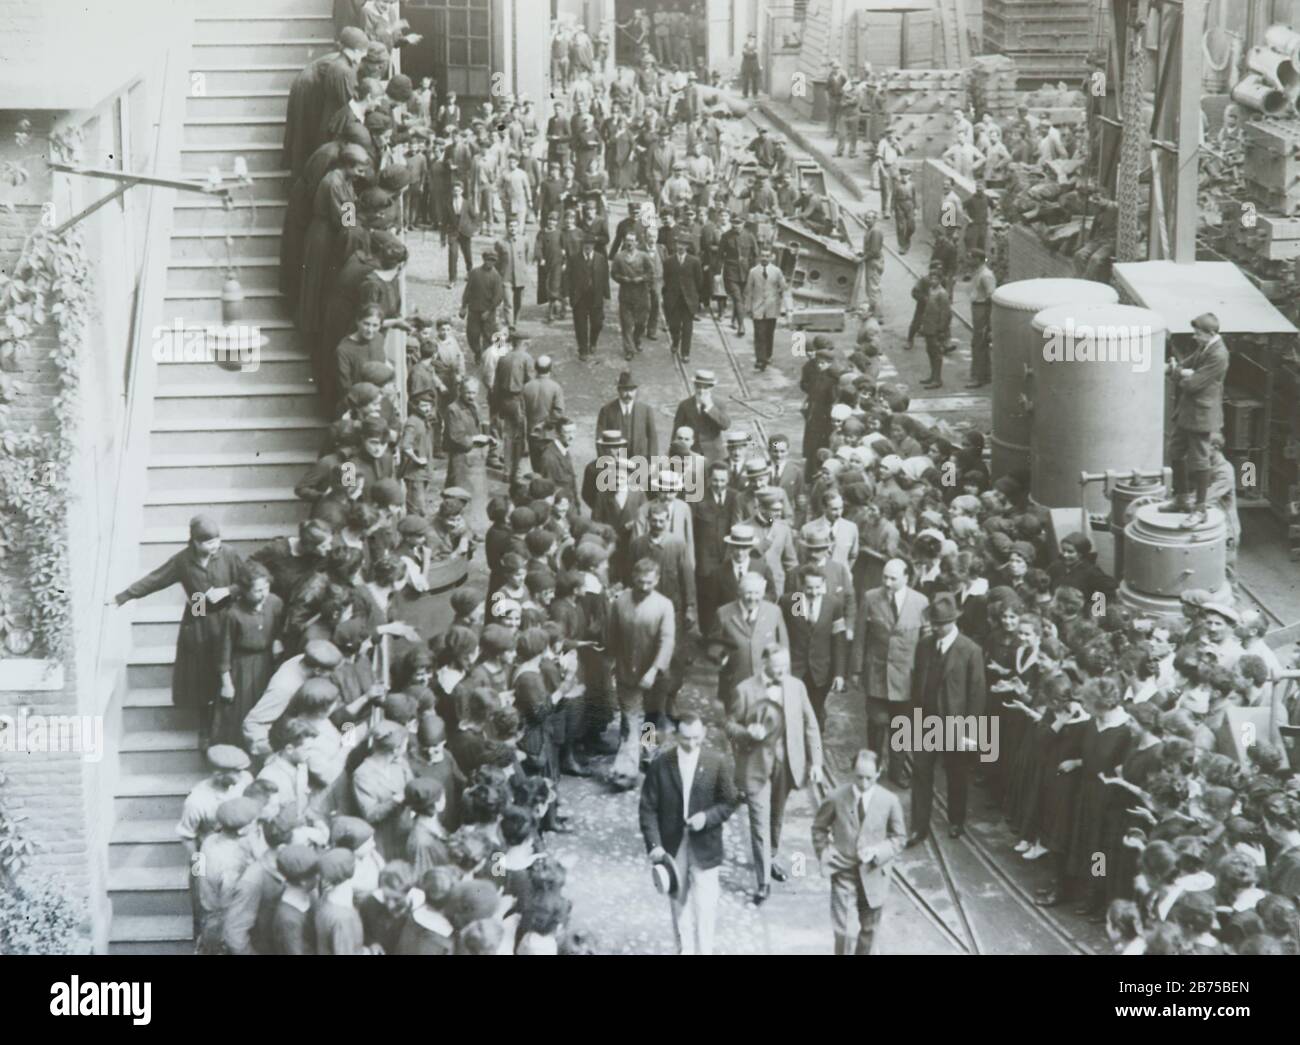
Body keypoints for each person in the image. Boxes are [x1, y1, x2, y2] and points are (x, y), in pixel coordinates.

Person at [114, 514, 245, 750]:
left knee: (226, 670)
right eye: (208, 543)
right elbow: (156, 579)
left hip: (225, 619)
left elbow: (246, 582)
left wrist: (227, 591)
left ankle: (226, 727)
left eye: (217, 541)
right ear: (194, 541)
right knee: (201, 675)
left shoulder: (230, 554)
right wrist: (123, 596)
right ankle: (205, 728)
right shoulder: (183, 561)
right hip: (198, 619)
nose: (214, 546)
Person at [726, 645, 824, 903]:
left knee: (776, 817)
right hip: (756, 766)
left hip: (788, 764)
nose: (783, 670)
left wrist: (816, 762)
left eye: (786, 665)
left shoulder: (796, 687)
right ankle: (763, 882)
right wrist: (748, 733)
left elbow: (811, 725)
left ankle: (770, 857)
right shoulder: (744, 689)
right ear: (764, 664)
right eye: (777, 666)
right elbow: (729, 725)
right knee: (759, 821)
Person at [639, 713, 739, 956]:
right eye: (685, 739)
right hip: (673, 846)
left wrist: (706, 818)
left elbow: (729, 802)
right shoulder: (662, 764)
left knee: (706, 906)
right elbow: (647, 808)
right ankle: (684, 950)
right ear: (676, 735)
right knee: (678, 902)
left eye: (696, 738)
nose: (691, 744)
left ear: (703, 734)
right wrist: (654, 845)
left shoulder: (717, 762)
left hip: (706, 845)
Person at [907, 592, 986, 844]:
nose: (935, 628)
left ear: (953, 621)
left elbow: (976, 694)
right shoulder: (924, 646)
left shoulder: (970, 650)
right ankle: (918, 825)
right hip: (925, 721)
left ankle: (956, 820)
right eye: (933, 623)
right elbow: (916, 683)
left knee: (956, 774)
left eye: (940, 624)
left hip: (955, 725)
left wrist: (971, 734)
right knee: (920, 772)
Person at [812, 748, 907, 955]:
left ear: (879, 773)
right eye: (859, 778)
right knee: (843, 931)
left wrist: (878, 851)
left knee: (869, 930)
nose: (863, 784)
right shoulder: (836, 797)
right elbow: (818, 828)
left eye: (869, 778)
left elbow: (899, 838)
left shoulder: (889, 801)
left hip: (874, 873)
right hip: (843, 871)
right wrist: (825, 853)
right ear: (852, 773)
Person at [855, 558, 929, 785]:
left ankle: (897, 772)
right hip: (877, 674)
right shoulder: (870, 598)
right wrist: (856, 670)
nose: (887, 582)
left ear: (906, 578)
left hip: (906, 678)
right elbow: (860, 637)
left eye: (893, 578)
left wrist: (924, 677)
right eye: (884, 577)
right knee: (876, 725)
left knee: (901, 727)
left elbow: (925, 642)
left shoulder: (920, 602)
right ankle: (872, 770)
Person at [606, 557, 676, 790]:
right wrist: (612, 664)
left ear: (656, 580)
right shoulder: (620, 601)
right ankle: (626, 768)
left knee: (652, 716)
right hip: (627, 670)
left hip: (655, 673)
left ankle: (647, 749)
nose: (644, 586)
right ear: (633, 578)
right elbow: (612, 635)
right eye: (640, 582)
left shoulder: (664, 605)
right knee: (629, 719)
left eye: (649, 582)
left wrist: (654, 670)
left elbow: (667, 641)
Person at [1166, 312, 1229, 528]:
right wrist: (1182, 371)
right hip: (1188, 412)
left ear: (1210, 333)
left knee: (1200, 460)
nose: (1194, 337)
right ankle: (1182, 498)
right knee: (1175, 450)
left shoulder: (1218, 354)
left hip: (1201, 415)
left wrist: (1180, 374)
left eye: (1198, 333)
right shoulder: (1206, 347)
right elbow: (1185, 366)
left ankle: (1200, 509)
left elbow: (1193, 384)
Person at [743, 245, 790, 373]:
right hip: (757, 308)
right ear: (759, 257)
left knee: (769, 334)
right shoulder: (753, 271)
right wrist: (748, 307)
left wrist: (784, 305)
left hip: (771, 309)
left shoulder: (777, 271)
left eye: (767, 256)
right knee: (759, 334)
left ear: (771, 257)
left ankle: (768, 355)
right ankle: (760, 359)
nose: (764, 258)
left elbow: (784, 287)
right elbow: (748, 290)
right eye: (762, 255)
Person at [596, 370, 659, 464]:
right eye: (625, 390)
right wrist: (606, 460)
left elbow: (652, 437)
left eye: (632, 390)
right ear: (618, 390)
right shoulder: (606, 410)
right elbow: (599, 438)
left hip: (640, 461)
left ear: (636, 391)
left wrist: (652, 462)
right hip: (616, 461)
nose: (628, 394)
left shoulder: (646, 410)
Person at [611, 231, 654, 360]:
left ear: (637, 243)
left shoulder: (644, 256)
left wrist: (641, 278)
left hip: (641, 294)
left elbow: (651, 272)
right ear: (624, 241)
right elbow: (613, 273)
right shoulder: (619, 257)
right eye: (627, 240)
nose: (629, 243)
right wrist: (622, 278)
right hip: (625, 294)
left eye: (632, 241)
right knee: (626, 324)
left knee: (641, 323)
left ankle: (636, 339)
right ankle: (629, 349)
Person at [671, 368, 729, 462]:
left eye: (705, 387)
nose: (701, 391)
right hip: (692, 453)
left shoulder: (719, 403)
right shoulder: (685, 405)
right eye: (699, 386)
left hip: (715, 454)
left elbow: (725, 425)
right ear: (694, 386)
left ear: (711, 387)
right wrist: (674, 454)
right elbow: (676, 431)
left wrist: (710, 407)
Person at [568, 232, 610, 360]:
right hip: (579, 297)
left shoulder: (601, 259)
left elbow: (605, 279)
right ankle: (583, 350)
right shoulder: (574, 259)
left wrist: (607, 297)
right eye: (585, 244)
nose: (588, 246)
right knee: (580, 325)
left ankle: (593, 342)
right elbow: (567, 279)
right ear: (582, 245)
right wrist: (566, 296)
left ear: (594, 245)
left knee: (597, 323)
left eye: (590, 244)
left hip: (596, 297)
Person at [662, 238, 704, 360]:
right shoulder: (669, 261)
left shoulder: (694, 261)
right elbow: (666, 279)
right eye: (679, 244)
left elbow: (699, 281)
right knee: (674, 325)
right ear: (675, 245)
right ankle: (675, 340)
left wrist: (694, 295)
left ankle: (685, 353)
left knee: (687, 327)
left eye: (683, 244)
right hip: (673, 299)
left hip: (688, 300)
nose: (680, 247)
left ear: (687, 247)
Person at [459, 250, 505, 362]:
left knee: (492, 334)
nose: (490, 262)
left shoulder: (496, 276)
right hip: (474, 310)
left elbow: (498, 297)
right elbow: (468, 290)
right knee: (472, 334)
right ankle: (478, 353)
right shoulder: (474, 273)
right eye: (488, 259)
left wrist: (488, 311)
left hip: (488, 311)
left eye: (493, 260)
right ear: (484, 259)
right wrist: (463, 306)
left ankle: (500, 354)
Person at [967, 249, 996, 388]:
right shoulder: (978, 272)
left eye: (971, 258)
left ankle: (977, 377)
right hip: (977, 308)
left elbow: (991, 297)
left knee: (978, 343)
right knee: (980, 342)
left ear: (978, 259)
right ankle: (986, 375)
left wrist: (988, 320)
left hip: (982, 309)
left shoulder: (986, 275)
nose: (968, 261)